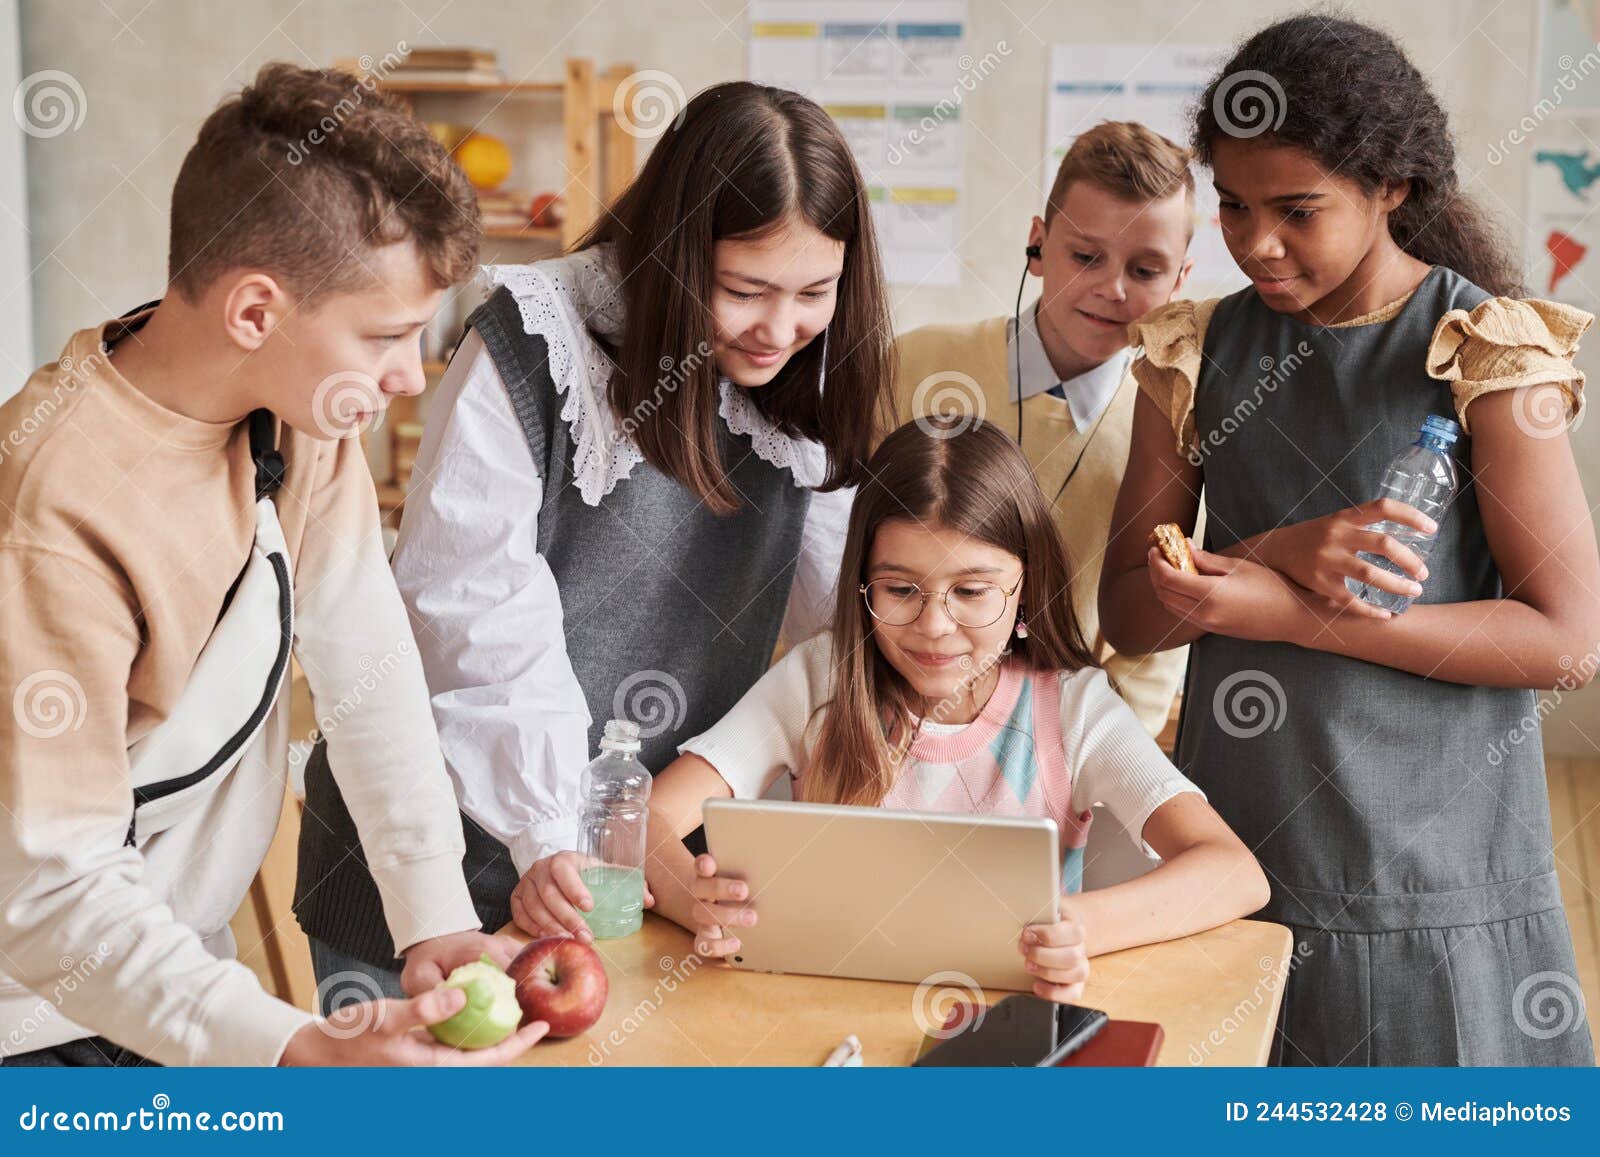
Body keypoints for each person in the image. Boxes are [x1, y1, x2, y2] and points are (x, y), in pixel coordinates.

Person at [295, 81, 896, 994]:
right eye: (744, 290)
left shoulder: (800, 376)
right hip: (439, 872)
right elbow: (473, 618)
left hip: (634, 869)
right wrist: (551, 833)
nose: (780, 327)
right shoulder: (536, 341)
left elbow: (838, 611)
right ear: (679, 257)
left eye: (815, 291)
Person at [0, 65, 543, 1066]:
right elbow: (54, 891)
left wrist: (431, 916)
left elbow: (369, 672)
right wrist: (298, 1046)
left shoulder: (298, 414)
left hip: (168, 977)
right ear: (255, 312)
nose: (410, 373)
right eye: (386, 336)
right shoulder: (52, 511)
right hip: (36, 1013)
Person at [1099, 14, 1599, 1065]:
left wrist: (1299, 618)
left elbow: (1566, 639)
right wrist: (1277, 552)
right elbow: (1130, 614)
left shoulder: (1488, 351)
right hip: (1243, 849)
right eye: (1234, 206)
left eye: (1297, 211)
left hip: (1435, 866)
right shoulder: (1192, 351)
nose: (1257, 243)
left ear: (1392, 189)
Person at [628, 418, 1268, 1002]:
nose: (934, 626)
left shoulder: (1073, 709)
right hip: (817, 1016)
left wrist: (1083, 925)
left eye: (971, 591)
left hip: (999, 1038)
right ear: (862, 581)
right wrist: (694, 900)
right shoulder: (818, 678)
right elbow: (643, 816)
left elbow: (1234, 872)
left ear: (1025, 588)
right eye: (900, 589)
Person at [894, 120, 1198, 736]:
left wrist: (1082, 768)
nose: (1112, 289)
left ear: (1180, 282)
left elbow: (1152, 653)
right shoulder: (913, 364)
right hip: (889, 719)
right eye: (1086, 256)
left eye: (1145, 271)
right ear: (1037, 245)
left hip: (1055, 748)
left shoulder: (1177, 428)